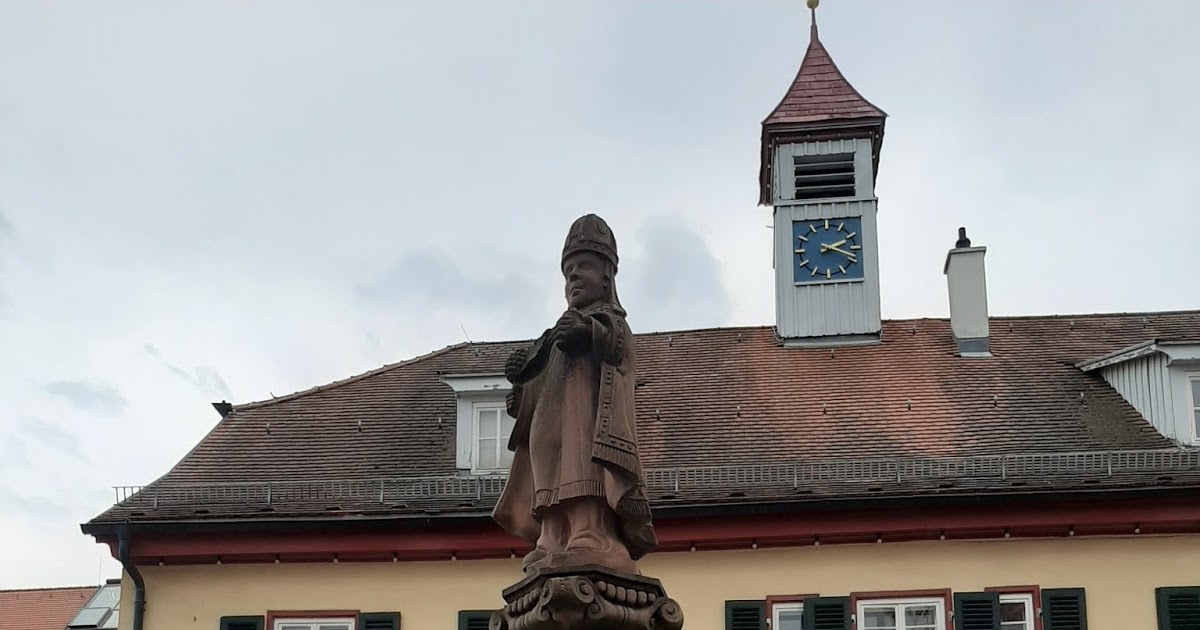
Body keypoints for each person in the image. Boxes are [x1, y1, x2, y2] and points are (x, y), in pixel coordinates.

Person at [492, 214, 656, 575]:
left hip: (583, 422)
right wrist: (521, 399)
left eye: (583, 267)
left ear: (607, 278)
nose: (574, 278)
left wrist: (587, 334)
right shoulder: (554, 334)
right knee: (547, 468)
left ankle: (589, 530)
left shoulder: (609, 320)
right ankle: (550, 536)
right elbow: (538, 379)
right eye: (568, 272)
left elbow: (616, 349)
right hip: (550, 424)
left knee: (581, 466)